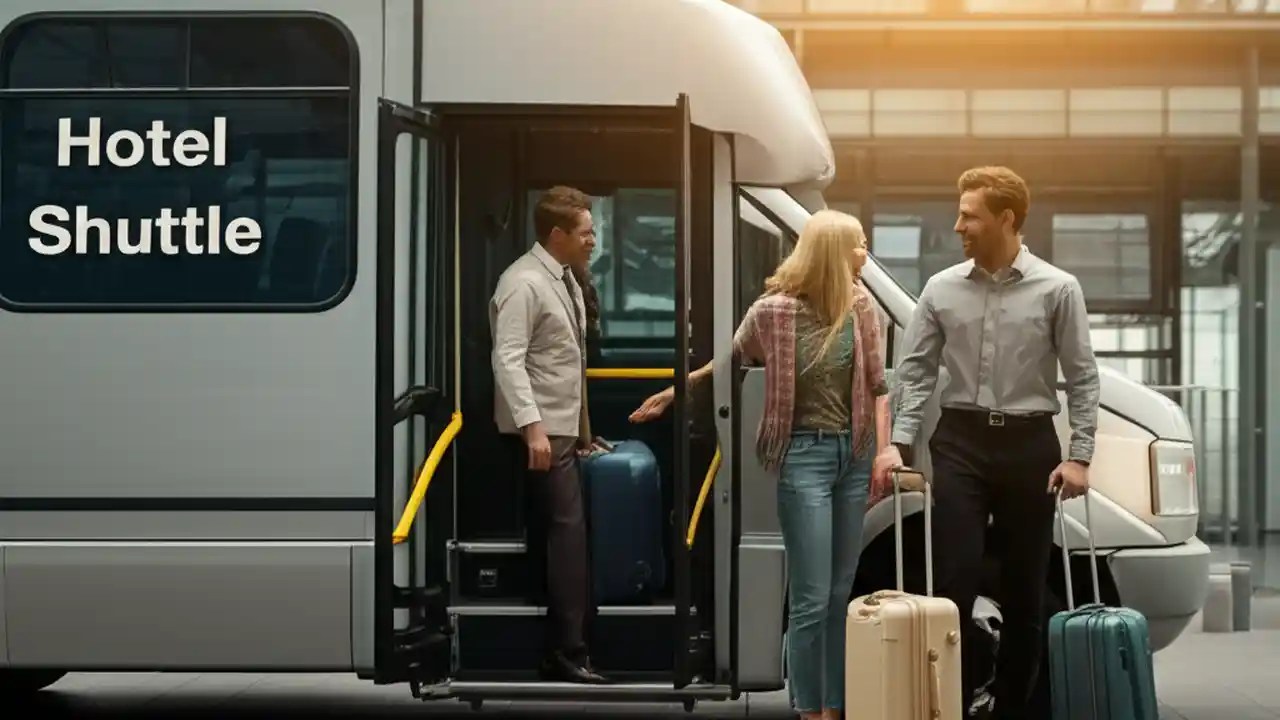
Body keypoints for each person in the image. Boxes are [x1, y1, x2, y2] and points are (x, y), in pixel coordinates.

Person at [630, 210, 891, 720]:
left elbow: (879, 388)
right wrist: (673, 390)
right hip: (804, 456)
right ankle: (811, 709)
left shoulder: (863, 308)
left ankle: (836, 706)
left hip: (854, 455)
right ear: (832, 251)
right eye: (859, 244)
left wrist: (884, 449)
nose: (865, 253)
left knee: (841, 594)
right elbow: (725, 360)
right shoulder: (773, 313)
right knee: (813, 596)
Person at [879, 166, 1101, 720]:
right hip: (959, 442)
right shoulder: (941, 288)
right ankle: (953, 702)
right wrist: (900, 444)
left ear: (1006, 218)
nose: (959, 225)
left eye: (970, 215)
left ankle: (1011, 710)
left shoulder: (1058, 288)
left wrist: (1079, 456)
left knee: (1026, 592)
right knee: (953, 583)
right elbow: (915, 372)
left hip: (1029, 445)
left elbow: (1082, 376)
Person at [489, 185, 609, 684]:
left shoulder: (561, 278)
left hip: (561, 431)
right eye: (586, 232)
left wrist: (582, 433)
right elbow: (508, 358)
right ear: (557, 234)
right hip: (541, 433)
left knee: (564, 537)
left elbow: (566, 362)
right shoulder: (523, 283)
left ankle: (560, 647)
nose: (594, 240)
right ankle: (568, 650)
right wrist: (534, 427)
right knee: (567, 538)